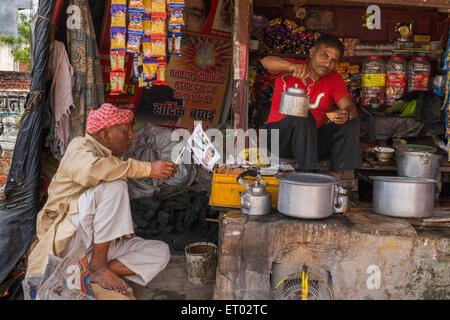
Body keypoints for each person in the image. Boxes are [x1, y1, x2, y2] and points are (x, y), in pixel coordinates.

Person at [24, 103, 179, 298]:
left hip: (96, 244)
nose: (132, 135)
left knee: (160, 251)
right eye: (127, 130)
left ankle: (86, 271)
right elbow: (91, 170)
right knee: (115, 185)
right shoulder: (79, 147)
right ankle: (98, 267)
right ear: (105, 135)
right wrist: (148, 168)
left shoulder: (108, 156)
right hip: (71, 237)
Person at [261, 34, 362, 179]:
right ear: (312, 52)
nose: (327, 64)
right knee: (303, 114)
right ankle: (309, 177)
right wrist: (290, 66)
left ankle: (336, 180)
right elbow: (266, 61)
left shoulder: (333, 78)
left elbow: (349, 105)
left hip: (312, 143)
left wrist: (347, 114)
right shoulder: (291, 67)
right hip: (278, 139)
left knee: (350, 122)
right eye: (324, 55)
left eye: (333, 61)